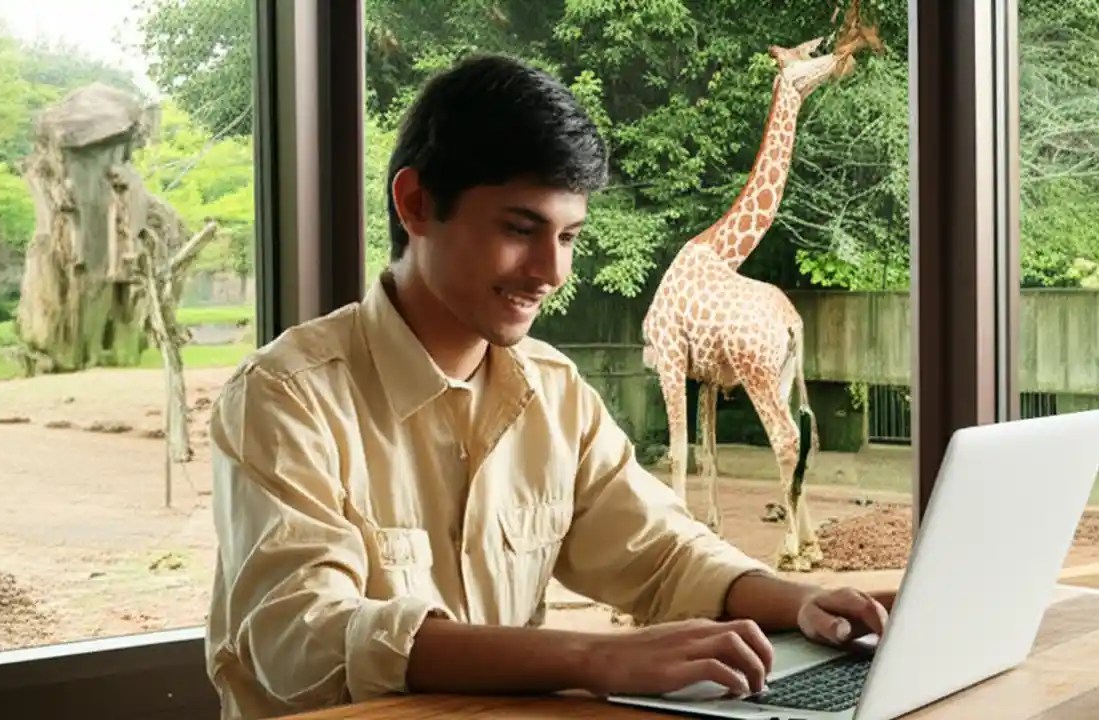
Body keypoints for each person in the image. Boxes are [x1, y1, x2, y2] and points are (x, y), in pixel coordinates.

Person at [204, 53, 894, 720]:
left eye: (568, 237)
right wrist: (592, 658)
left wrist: (798, 602)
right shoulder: (285, 397)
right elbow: (301, 638)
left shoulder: (556, 393)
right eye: (519, 229)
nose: (551, 272)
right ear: (415, 204)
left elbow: (662, 553)